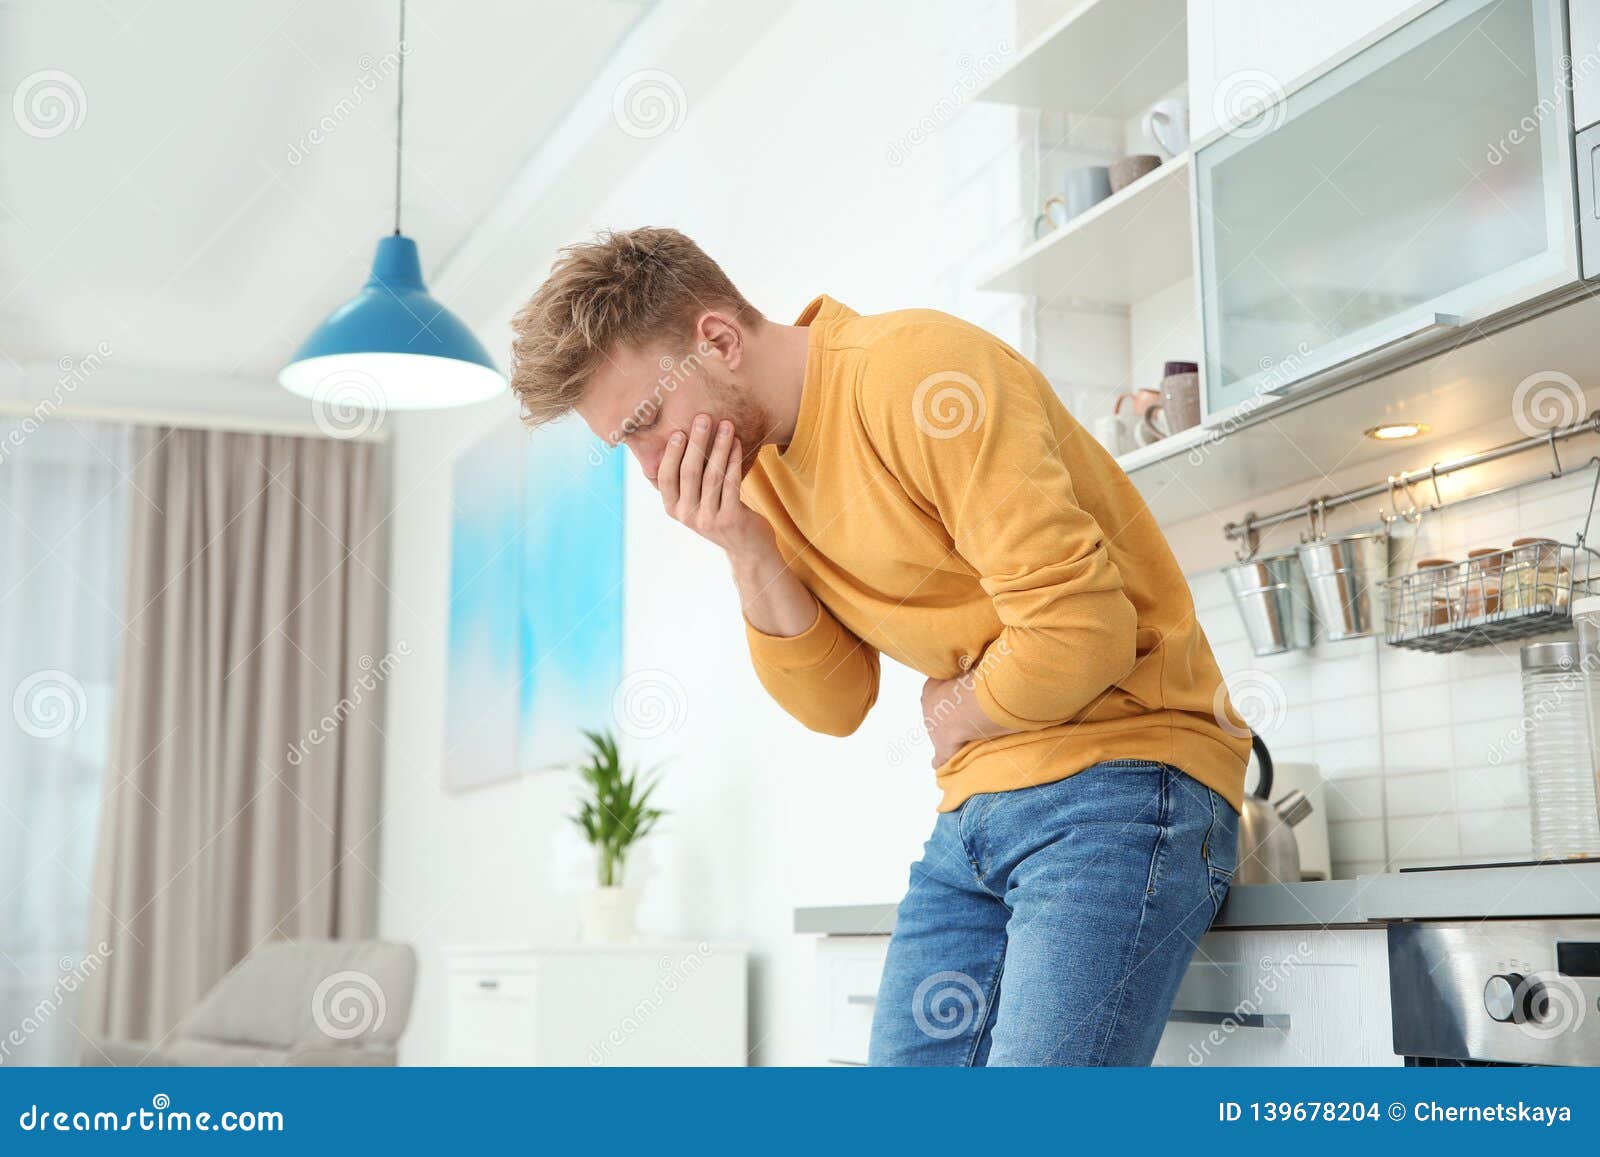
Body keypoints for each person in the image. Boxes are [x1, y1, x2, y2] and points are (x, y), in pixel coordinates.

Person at [509, 226, 1250, 1066]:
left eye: (647, 421)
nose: (651, 468)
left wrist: (958, 706)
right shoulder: (758, 475)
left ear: (716, 340)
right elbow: (834, 706)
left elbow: (1083, 628)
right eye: (627, 445)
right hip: (975, 814)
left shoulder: (914, 373)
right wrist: (745, 548)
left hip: (1124, 779)